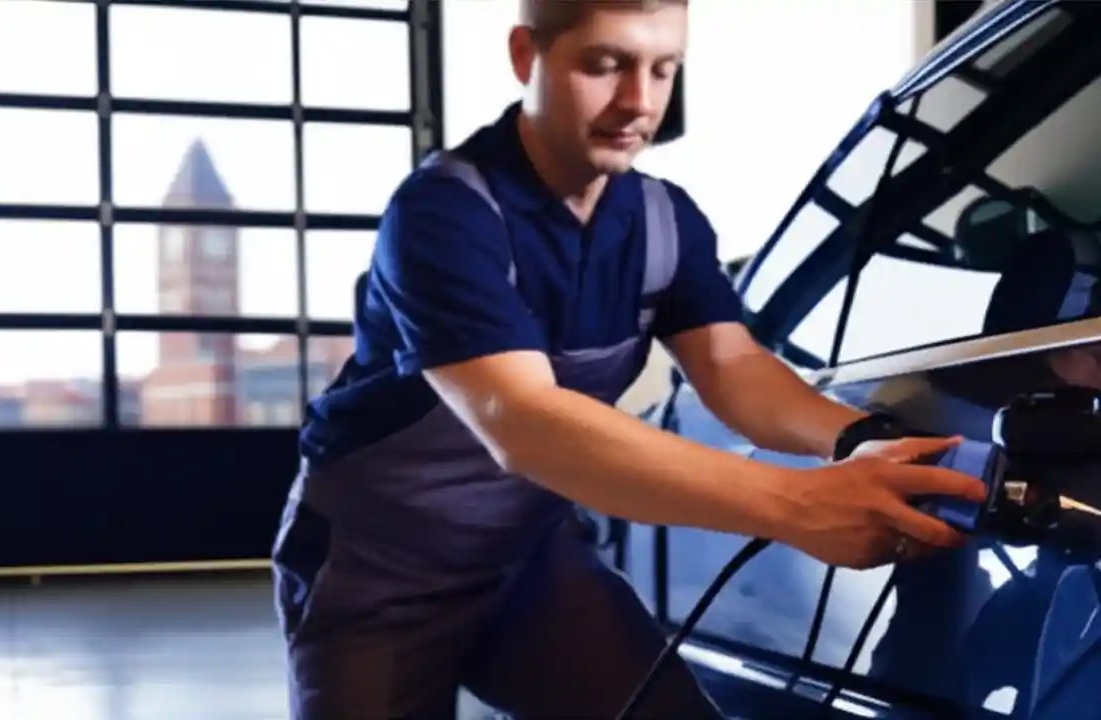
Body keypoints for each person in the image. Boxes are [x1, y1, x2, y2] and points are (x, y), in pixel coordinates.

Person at [271, 1, 989, 717]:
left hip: (526, 561)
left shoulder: (663, 221)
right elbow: (523, 420)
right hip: (375, 567)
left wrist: (857, 438)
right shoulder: (445, 211)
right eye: (604, 65)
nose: (637, 102)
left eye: (662, 70)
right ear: (527, 56)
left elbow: (733, 369)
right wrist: (795, 504)